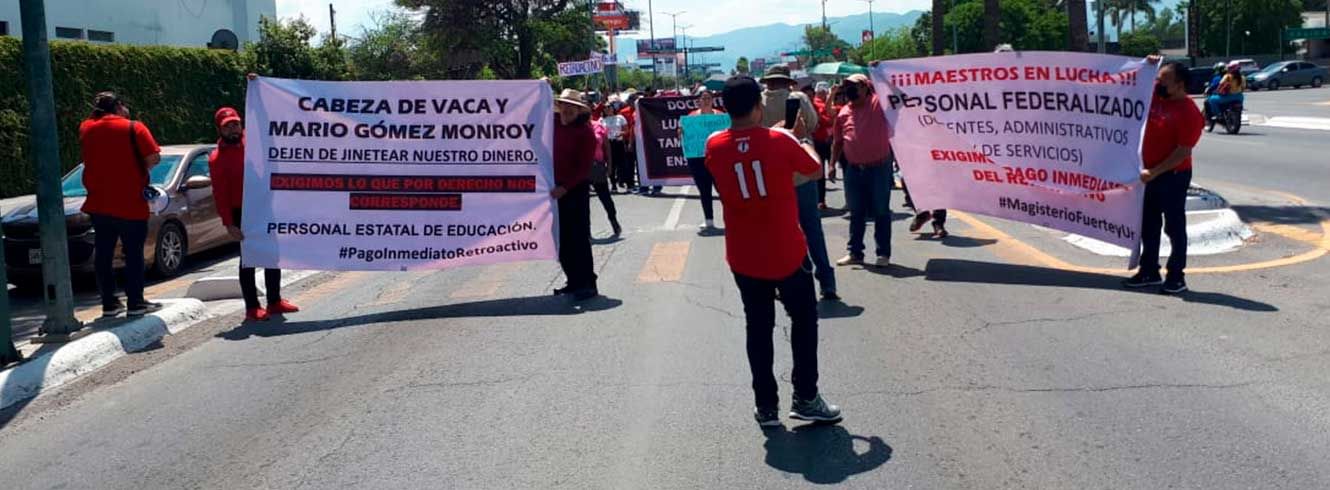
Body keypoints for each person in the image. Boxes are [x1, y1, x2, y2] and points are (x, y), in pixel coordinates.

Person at [706, 76, 842, 428]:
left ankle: (766, 406)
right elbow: (813, 170)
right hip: (786, 251)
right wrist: (801, 139)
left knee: (758, 327)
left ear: (723, 107)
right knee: (804, 321)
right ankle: (806, 397)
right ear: (759, 106)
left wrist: (781, 139)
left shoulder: (713, 144)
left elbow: (739, 158)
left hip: (743, 254)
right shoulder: (781, 140)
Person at [209, 106, 300, 321]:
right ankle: (252, 307)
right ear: (219, 130)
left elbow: (265, 119)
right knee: (248, 260)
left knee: (272, 254)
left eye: (236, 123)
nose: (233, 129)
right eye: (228, 126)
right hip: (241, 211)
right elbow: (219, 194)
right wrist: (229, 223)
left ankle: (274, 301)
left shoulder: (255, 141)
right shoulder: (217, 158)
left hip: (263, 206)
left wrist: (257, 86)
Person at [79, 92, 164, 318]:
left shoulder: (86, 128)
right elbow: (152, 158)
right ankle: (135, 302)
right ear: (119, 106)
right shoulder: (133, 127)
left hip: (98, 203)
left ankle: (109, 303)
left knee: (104, 253)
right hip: (130, 203)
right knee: (133, 253)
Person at [1125, 60, 1203, 295]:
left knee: (1174, 226)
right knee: (1148, 224)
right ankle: (1149, 270)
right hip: (1149, 175)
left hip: (1173, 176)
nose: (1157, 83)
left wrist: (1154, 172)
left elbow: (1182, 152)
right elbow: (1132, 82)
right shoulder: (1158, 97)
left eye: (1163, 80)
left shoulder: (1189, 113)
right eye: (1157, 78)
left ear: (1179, 85)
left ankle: (1176, 276)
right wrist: (1147, 65)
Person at [830, 74, 894, 268]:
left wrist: (879, 72)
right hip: (854, 169)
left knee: (881, 210)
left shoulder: (879, 104)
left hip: (879, 167)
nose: (850, 90)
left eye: (854, 86)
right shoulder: (843, 113)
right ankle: (855, 252)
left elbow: (895, 92)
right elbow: (838, 142)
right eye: (847, 86)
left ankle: (883, 253)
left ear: (867, 87)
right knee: (856, 211)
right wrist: (832, 164)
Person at [552, 89, 600, 301]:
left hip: (575, 190)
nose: (567, 109)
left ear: (580, 110)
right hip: (552, 191)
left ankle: (587, 283)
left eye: (572, 106)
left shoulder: (585, 132)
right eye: (564, 104)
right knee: (560, 239)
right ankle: (572, 281)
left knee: (578, 238)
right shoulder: (550, 123)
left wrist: (566, 187)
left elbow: (584, 168)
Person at [685, 90, 724, 232]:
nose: (706, 100)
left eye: (709, 98)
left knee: (723, 190)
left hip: (717, 159)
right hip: (698, 159)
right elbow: (683, 132)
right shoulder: (692, 116)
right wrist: (681, 132)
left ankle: (731, 218)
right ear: (699, 101)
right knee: (704, 190)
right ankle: (709, 220)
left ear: (713, 100)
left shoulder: (720, 116)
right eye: (703, 98)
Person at [587, 104, 623, 237]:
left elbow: (607, 147)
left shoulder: (598, 126)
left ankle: (613, 221)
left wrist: (610, 166)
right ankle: (586, 229)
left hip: (597, 166)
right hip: (579, 168)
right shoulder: (573, 127)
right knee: (583, 202)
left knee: (605, 197)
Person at [807, 82, 835, 209]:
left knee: (827, 169)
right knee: (820, 172)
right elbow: (825, 120)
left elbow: (830, 118)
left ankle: (821, 199)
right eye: (821, 91)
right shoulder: (814, 104)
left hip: (829, 140)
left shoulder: (828, 103)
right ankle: (820, 199)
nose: (823, 94)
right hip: (818, 141)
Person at [600, 103, 629, 193]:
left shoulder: (620, 117)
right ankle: (613, 185)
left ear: (613, 108)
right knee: (610, 164)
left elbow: (626, 130)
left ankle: (625, 182)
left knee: (622, 164)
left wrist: (621, 133)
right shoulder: (602, 120)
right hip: (608, 143)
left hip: (618, 142)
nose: (608, 109)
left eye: (609, 107)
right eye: (605, 108)